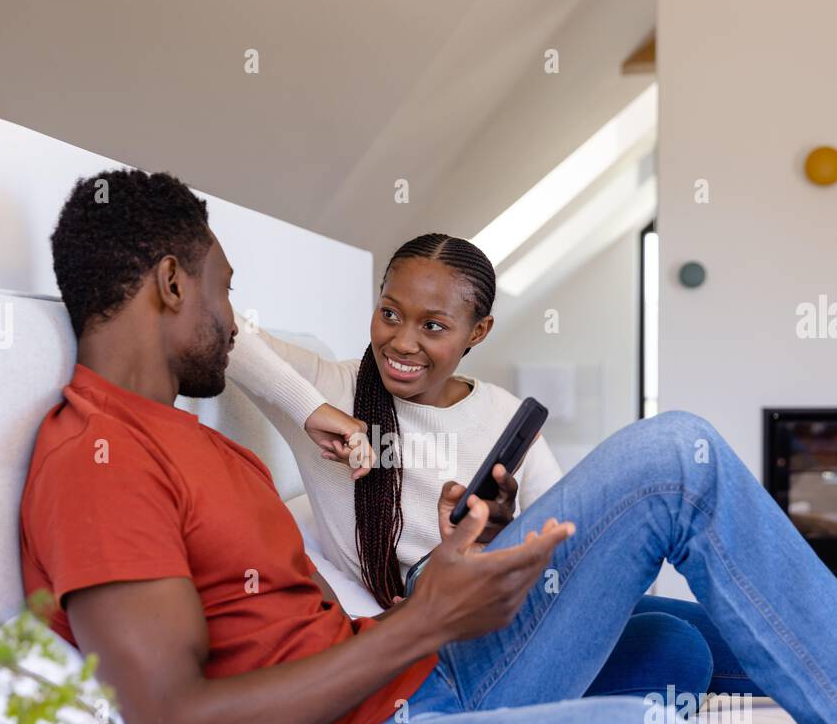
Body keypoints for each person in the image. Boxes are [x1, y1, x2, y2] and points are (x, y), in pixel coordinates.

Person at [20, 170, 837, 724]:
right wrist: (425, 621)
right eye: (223, 292)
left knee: (675, 458)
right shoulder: (99, 460)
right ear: (171, 283)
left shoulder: (188, 440)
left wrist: (439, 603)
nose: (232, 323)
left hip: (411, 675)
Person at [228, 231, 750, 700]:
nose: (402, 342)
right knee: (680, 650)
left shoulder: (501, 413)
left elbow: (566, 545)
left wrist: (503, 534)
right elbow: (222, 329)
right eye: (390, 313)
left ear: (478, 332)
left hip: (516, 596)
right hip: (442, 620)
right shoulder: (325, 385)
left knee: (719, 634)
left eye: (433, 326)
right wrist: (310, 408)